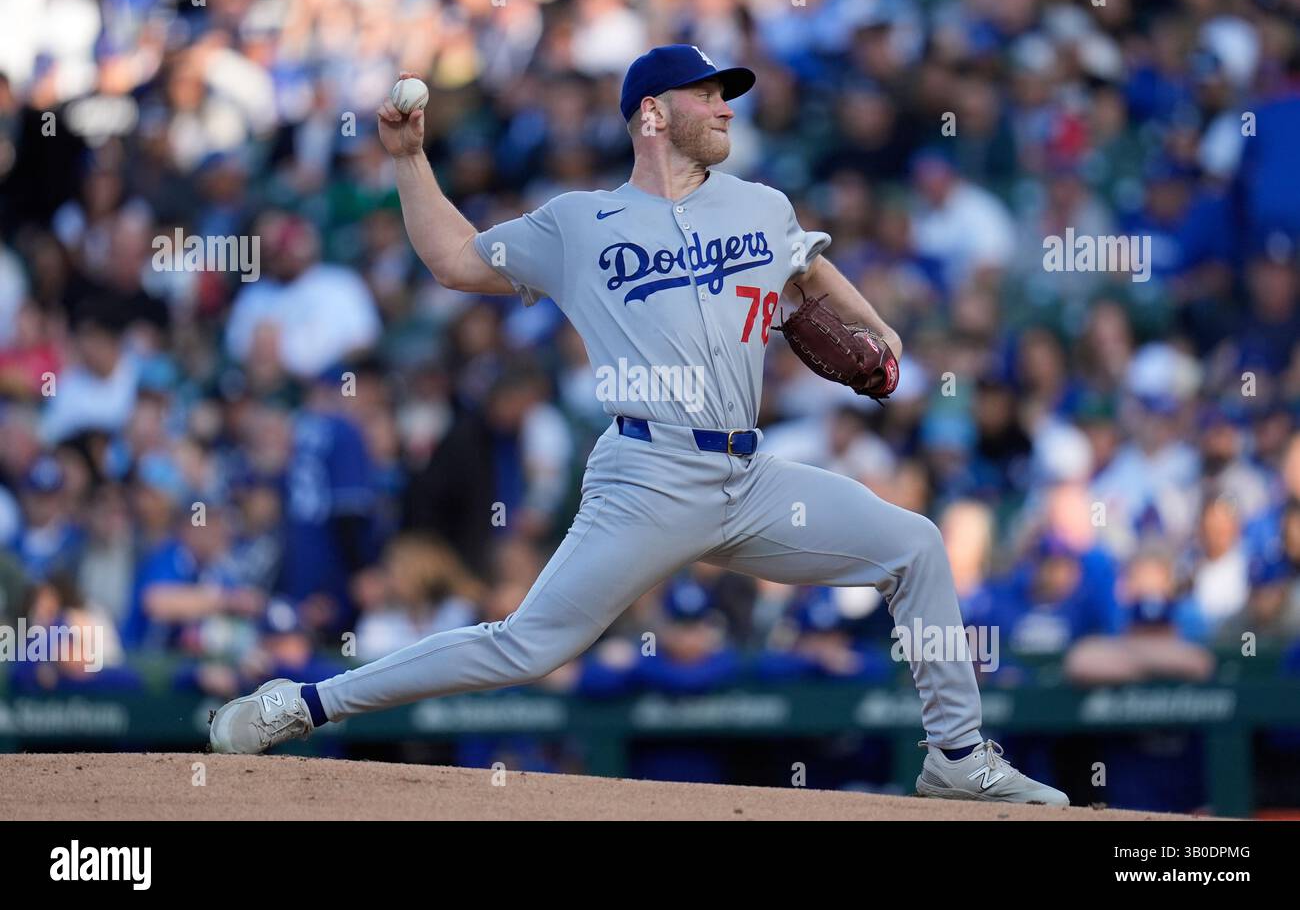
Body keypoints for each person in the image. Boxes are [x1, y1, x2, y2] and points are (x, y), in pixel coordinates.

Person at [210, 45, 1068, 806]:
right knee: (525, 647)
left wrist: (880, 334)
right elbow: (453, 259)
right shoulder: (579, 222)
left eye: (727, 94)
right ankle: (303, 702)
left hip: (751, 478)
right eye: (708, 94)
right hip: (647, 475)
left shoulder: (760, 206)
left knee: (916, 545)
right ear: (653, 114)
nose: (727, 106)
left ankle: (956, 755)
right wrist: (409, 160)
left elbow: (815, 275)